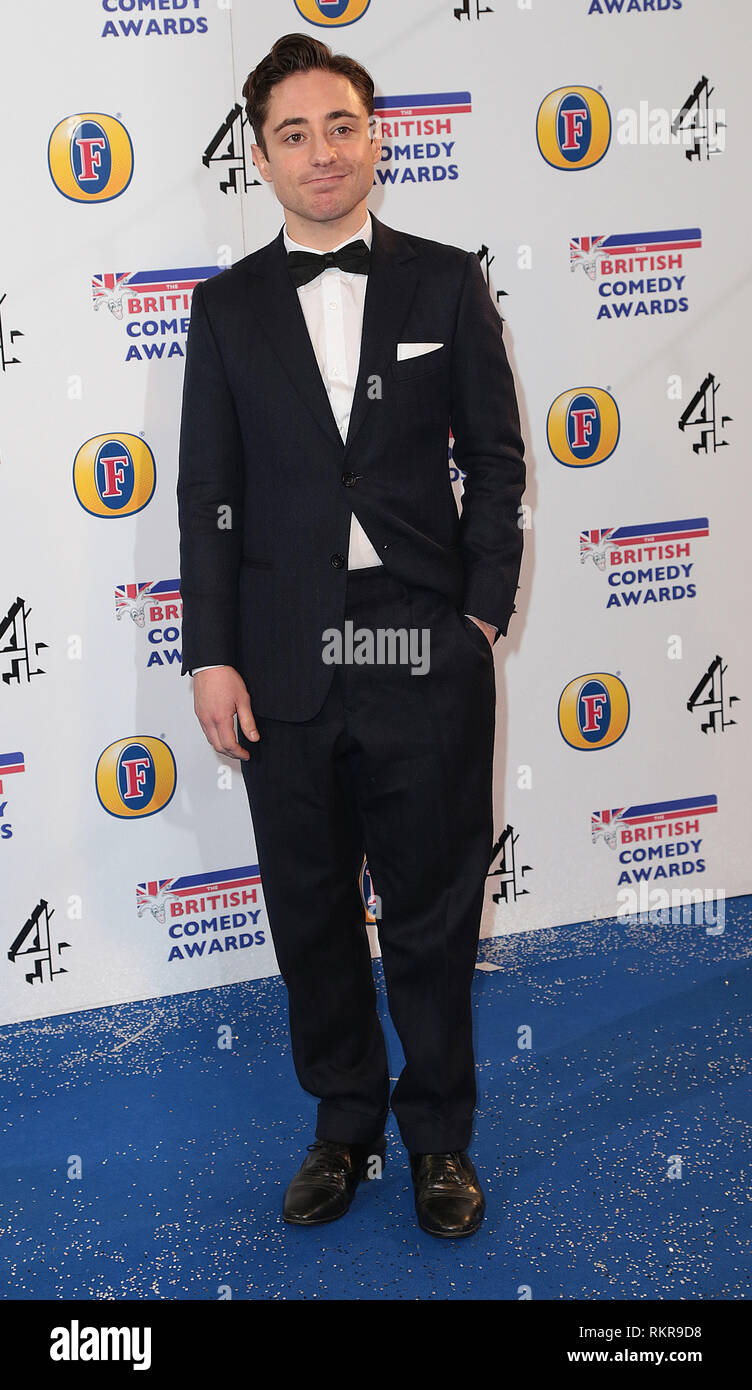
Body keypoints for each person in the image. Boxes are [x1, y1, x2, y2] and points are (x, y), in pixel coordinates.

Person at [177, 31, 525, 1238]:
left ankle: (438, 1138)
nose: (321, 152)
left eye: (342, 125)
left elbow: (493, 459)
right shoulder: (222, 312)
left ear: (377, 135)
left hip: (416, 639)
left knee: (431, 908)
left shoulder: (443, 280)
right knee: (309, 905)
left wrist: (479, 608)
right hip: (282, 656)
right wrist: (208, 651)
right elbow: (205, 490)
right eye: (293, 133)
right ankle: (341, 1126)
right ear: (259, 158)